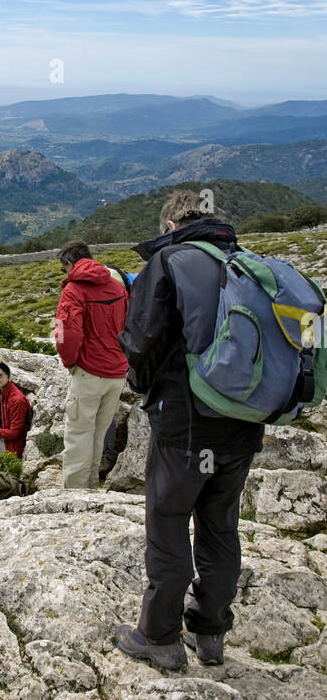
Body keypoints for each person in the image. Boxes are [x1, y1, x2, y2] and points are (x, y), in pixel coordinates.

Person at [114, 190, 264, 670]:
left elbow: (139, 342)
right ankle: (211, 632)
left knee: (169, 519)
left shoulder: (169, 262)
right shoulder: (246, 265)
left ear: (169, 225)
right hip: (242, 427)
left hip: (186, 424)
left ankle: (158, 637)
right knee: (221, 527)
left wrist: (144, 389)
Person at [55, 242, 129, 490]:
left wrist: (69, 361)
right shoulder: (117, 286)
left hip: (89, 372)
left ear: (68, 264)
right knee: (99, 431)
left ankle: (75, 492)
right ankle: (91, 484)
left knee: (78, 433)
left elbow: (66, 334)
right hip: (117, 372)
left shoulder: (73, 290)